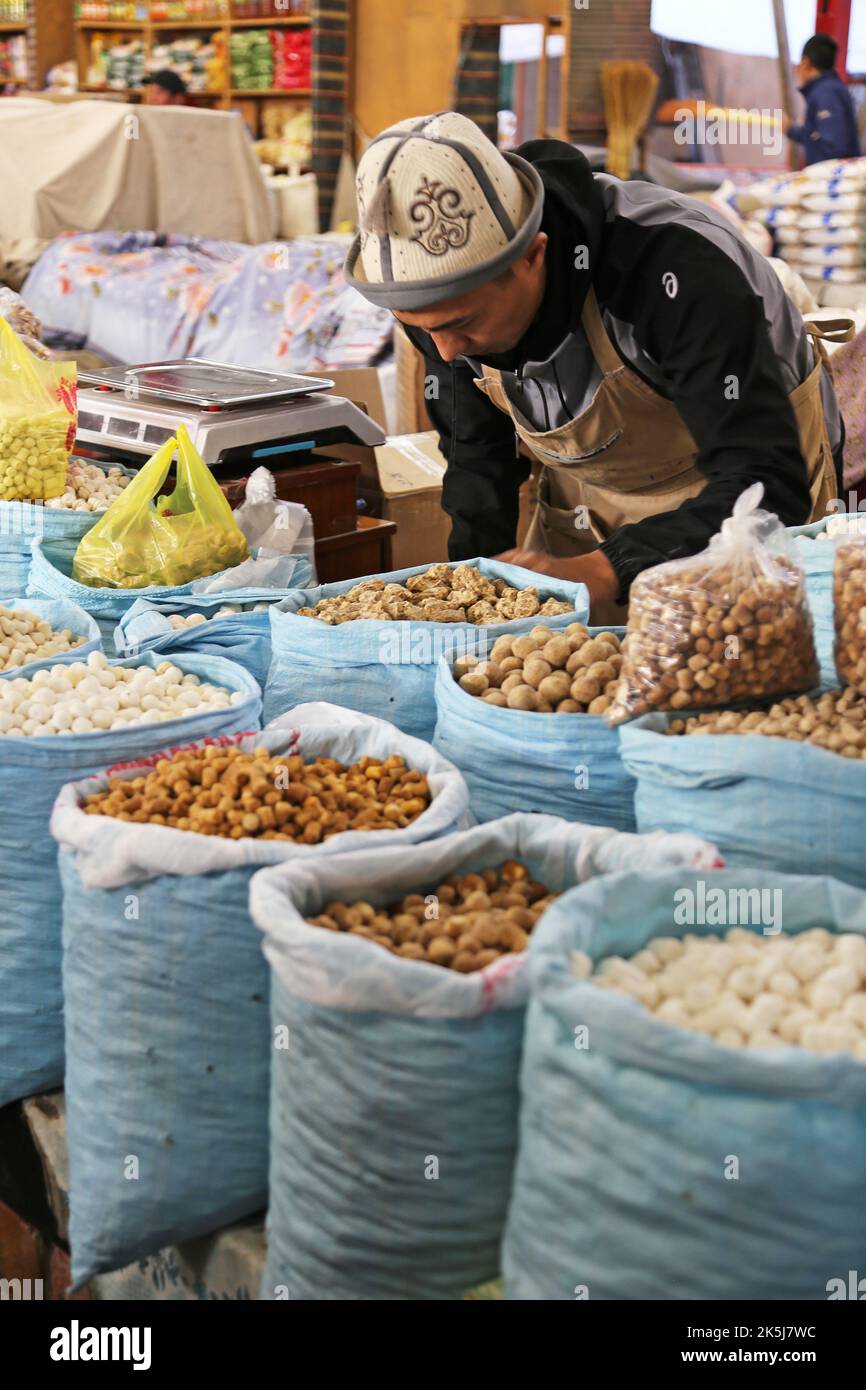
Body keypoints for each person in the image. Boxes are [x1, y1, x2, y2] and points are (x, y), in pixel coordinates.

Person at [344, 112, 849, 619]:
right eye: (419, 327)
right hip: (595, 507)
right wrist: (470, 596)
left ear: (532, 255)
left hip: (742, 493)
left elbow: (765, 483)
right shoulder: (446, 312)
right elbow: (479, 461)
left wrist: (611, 568)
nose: (445, 351)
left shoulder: (674, 269)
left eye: (462, 323)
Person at [783, 34, 861, 165]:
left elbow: (833, 148)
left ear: (806, 62)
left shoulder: (826, 93)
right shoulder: (828, 89)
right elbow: (817, 136)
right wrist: (792, 130)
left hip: (834, 182)